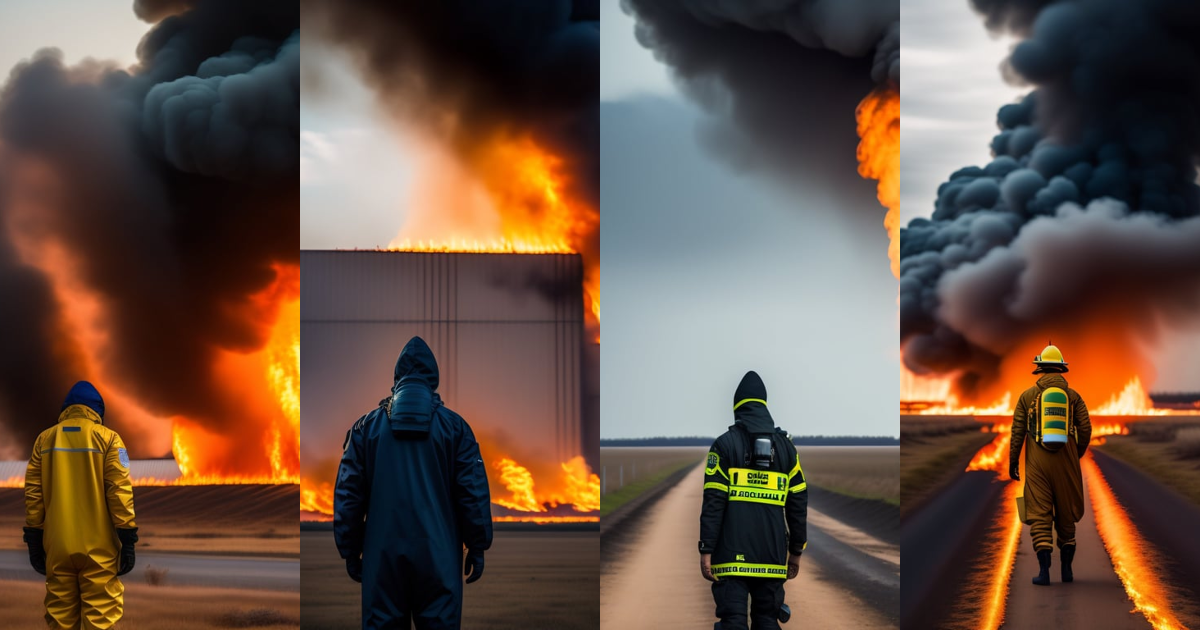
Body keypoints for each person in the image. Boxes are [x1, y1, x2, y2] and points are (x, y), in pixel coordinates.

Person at [334, 336, 493, 629]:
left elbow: (349, 495)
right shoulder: (456, 428)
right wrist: (478, 546)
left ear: (397, 378)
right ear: (434, 379)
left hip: (381, 560)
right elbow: (472, 493)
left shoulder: (365, 429)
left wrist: (350, 549)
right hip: (440, 558)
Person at [24, 381, 138, 629]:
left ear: (67, 409)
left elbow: (34, 494)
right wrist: (128, 536)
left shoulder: (44, 440)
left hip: (57, 547)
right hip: (100, 549)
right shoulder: (109, 439)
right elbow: (119, 490)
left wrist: (33, 538)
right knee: (101, 617)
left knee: (60, 617)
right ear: (97, 411)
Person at [700, 371, 807, 630]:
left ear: (737, 407)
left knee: (732, 622)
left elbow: (713, 502)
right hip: (771, 557)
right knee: (768, 621)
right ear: (764, 405)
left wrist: (706, 549)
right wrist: (796, 551)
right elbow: (798, 503)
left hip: (729, 559)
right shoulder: (786, 449)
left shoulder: (723, 446)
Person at [1009, 344, 1092, 586]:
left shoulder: (1026, 396)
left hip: (1037, 465)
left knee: (1039, 515)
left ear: (1040, 368)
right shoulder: (1074, 397)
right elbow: (1085, 428)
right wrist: (1076, 454)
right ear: (1061, 368)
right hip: (1066, 462)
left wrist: (1013, 461)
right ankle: (1067, 570)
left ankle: (1044, 573)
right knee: (1066, 516)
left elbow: (1017, 432)